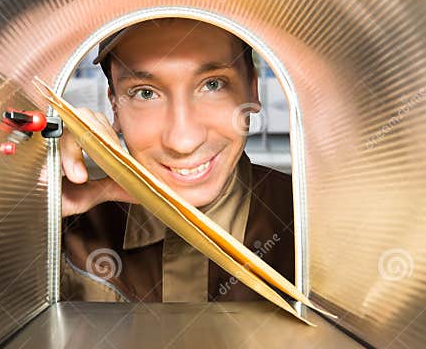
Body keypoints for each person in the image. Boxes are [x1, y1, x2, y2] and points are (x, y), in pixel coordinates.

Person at [60, 17, 294, 302]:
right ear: (115, 107)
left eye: (213, 85)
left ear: (252, 89)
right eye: (145, 93)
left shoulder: (311, 223)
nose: (183, 141)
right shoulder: (70, 226)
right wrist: (27, 207)